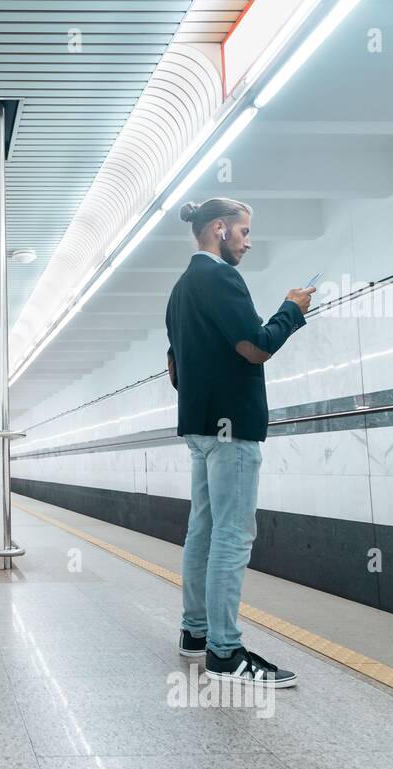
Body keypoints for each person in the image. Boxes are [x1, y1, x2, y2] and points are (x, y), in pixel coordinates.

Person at [165, 197, 313, 688]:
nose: (249, 241)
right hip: (233, 431)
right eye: (244, 231)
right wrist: (292, 310)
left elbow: (174, 369)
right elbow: (256, 346)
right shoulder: (221, 278)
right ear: (220, 229)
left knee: (203, 531)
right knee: (232, 535)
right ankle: (225, 653)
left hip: (200, 428)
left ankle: (195, 632)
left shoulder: (180, 290)